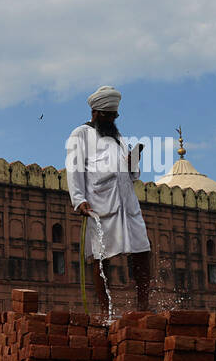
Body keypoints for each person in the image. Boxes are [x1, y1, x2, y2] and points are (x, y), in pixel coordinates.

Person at [65, 85, 152, 315]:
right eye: (111, 114)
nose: (116, 117)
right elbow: (74, 169)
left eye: (116, 114)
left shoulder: (117, 137)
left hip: (127, 204)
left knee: (142, 250)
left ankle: (144, 306)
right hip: (100, 203)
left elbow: (131, 174)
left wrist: (134, 160)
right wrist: (79, 199)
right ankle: (106, 311)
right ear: (98, 113)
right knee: (101, 258)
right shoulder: (80, 134)